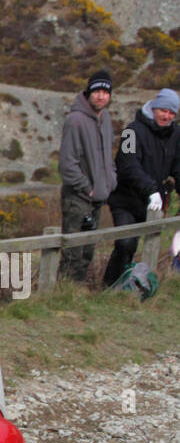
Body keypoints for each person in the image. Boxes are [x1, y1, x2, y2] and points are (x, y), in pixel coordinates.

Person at [103, 88, 180, 288]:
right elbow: (128, 165)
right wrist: (150, 190)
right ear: (154, 107)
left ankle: (137, 286)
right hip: (126, 200)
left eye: (172, 113)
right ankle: (109, 286)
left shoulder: (175, 134)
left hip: (153, 205)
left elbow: (178, 167)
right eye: (163, 110)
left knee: (148, 245)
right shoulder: (132, 131)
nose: (167, 116)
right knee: (125, 243)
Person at [57, 70, 117, 283]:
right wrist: (87, 187)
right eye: (96, 91)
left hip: (98, 198)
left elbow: (108, 156)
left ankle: (76, 296)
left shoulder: (106, 118)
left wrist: (110, 181)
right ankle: (62, 296)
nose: (101, 96)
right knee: (73, 252)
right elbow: (66, 164)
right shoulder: (75, 120)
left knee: (87, 252)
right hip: (77, 199)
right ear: (88, 92)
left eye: (105, 91)